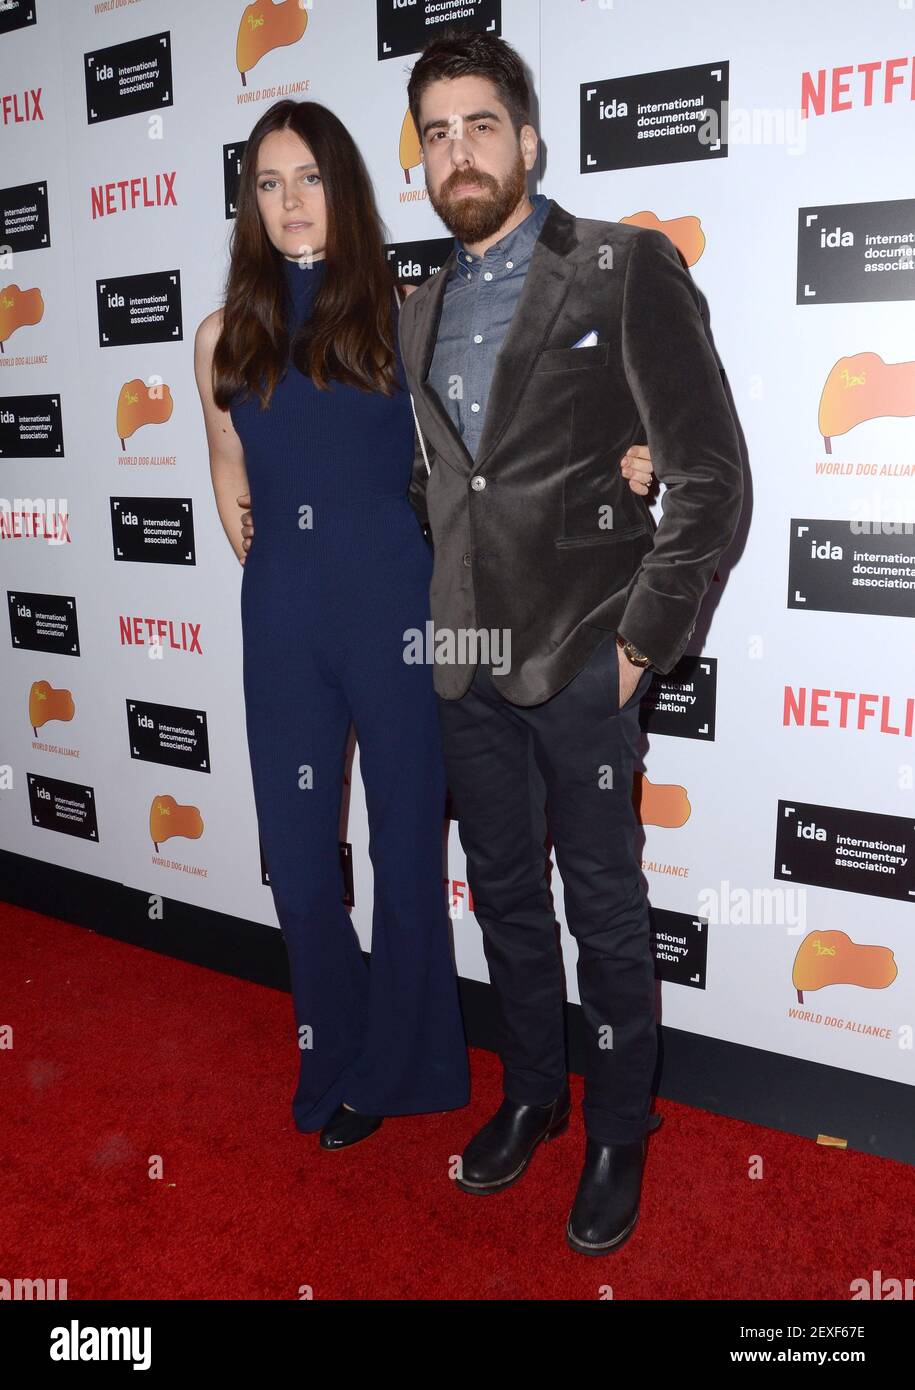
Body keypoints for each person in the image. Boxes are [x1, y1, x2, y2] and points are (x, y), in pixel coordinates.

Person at [194, 96, 659, 1153]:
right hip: (284, 623)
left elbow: (493, 442)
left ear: (344, 188)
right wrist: (283, 574)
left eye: (308, 177)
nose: (290, 202)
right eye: (267, 184)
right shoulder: (221, 335)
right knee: (305, 866)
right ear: (249, 204)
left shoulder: (400, 315)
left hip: (402, 613)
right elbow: (230, 478)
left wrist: (632, 455)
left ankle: (399, 1070)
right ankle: (335, 1048)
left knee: (408, 852)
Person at [397, 27, 744, 1256]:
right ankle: (533, 1092)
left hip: (588, 659)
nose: (458, 151)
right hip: (467, 659)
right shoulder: (419, 304)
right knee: (502, 898)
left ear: (529, 139)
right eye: (436, 133)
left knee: (604, 907)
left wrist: (641, 649)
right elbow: (446, 485)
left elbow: (710, 479)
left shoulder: (620, 267)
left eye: (479, 124)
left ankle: (618, 1130)